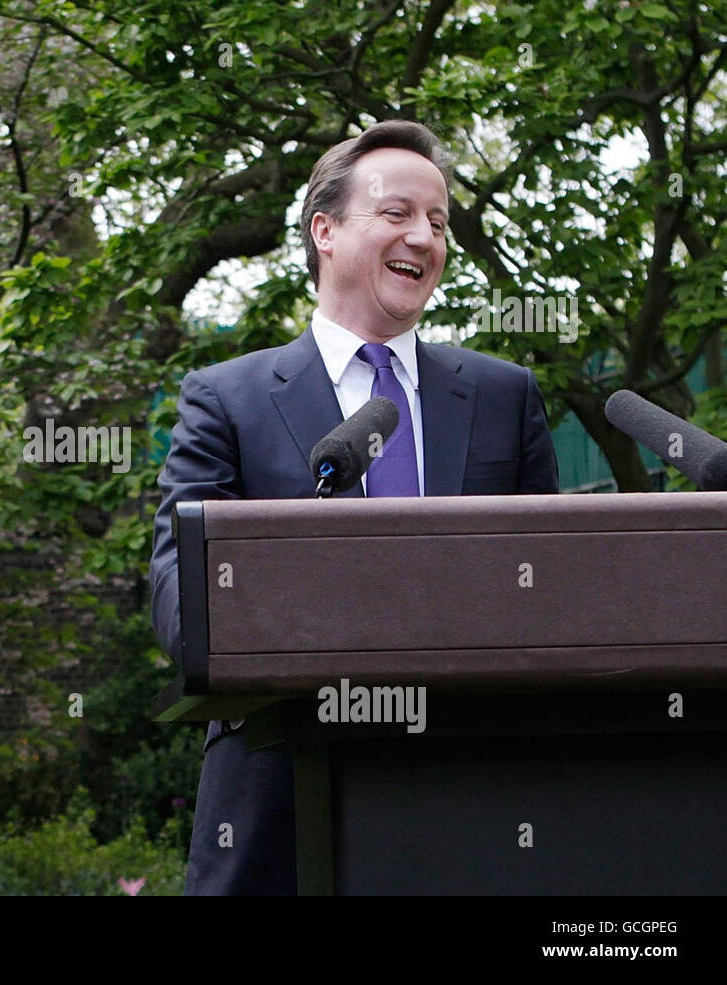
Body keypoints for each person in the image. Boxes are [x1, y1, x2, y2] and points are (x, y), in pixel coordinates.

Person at [149, 120, 559, 895]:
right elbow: (178, 588)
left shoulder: (504, 396)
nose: (425, 237)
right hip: (277, 796)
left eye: (438, 222)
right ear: (325, 230)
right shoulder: (225, 399)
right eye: (398, 213)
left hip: (474, 795)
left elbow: (551, 585)